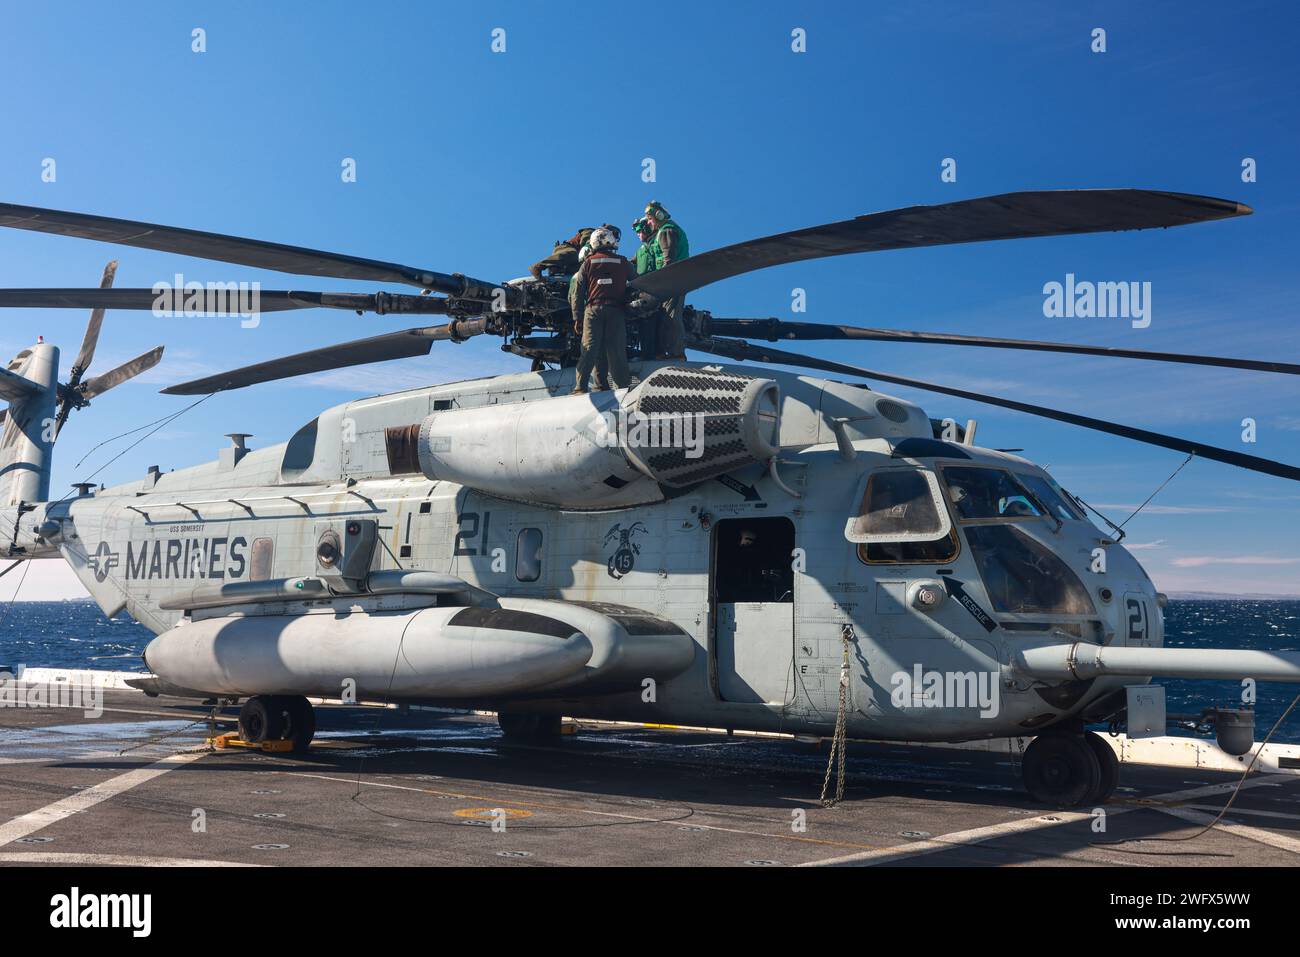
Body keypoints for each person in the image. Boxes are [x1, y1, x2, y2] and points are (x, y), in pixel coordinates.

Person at [569, 227, 635, 394]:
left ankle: (581, 387)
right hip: (616, 311)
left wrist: (577, 317)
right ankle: (623, 388)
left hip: (593, 310)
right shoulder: (623, 262)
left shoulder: (588, 263)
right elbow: (637, 283)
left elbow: (578, 293)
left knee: (590, 349)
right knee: (616, 350)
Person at [643, 201, 689, 359]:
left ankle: (677, 353)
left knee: (671, 316)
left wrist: (660, 282)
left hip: (672, 281)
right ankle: (668, 351)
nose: (648, 223)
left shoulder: (666, 231)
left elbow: (668, 260)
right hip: (670, 281)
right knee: (666, 316)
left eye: (649, 219)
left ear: (658, 216)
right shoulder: (663, 231)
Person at [530, 226, 596, 279]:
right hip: (567, 248)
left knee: (583, 268)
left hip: (570, 261)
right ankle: (538, 266)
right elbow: (585, 247)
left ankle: (557, 269)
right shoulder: (592, 232)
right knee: (575, 255)